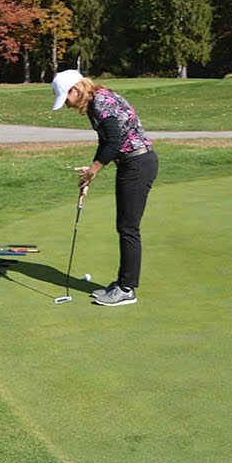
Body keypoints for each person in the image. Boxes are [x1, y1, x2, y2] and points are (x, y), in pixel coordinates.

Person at [51, 70, 158, 307]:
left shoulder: (101, 102)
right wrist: (91, 173)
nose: (67, 105)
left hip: (138, 164)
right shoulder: (96, 100)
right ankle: (122, 283)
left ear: (76, 89)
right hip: (131, 163)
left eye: (66, 98)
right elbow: (106, 142)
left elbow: (116, 140)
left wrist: (95, 169)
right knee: (125, 225)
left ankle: (127, 289)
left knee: (128, 227)